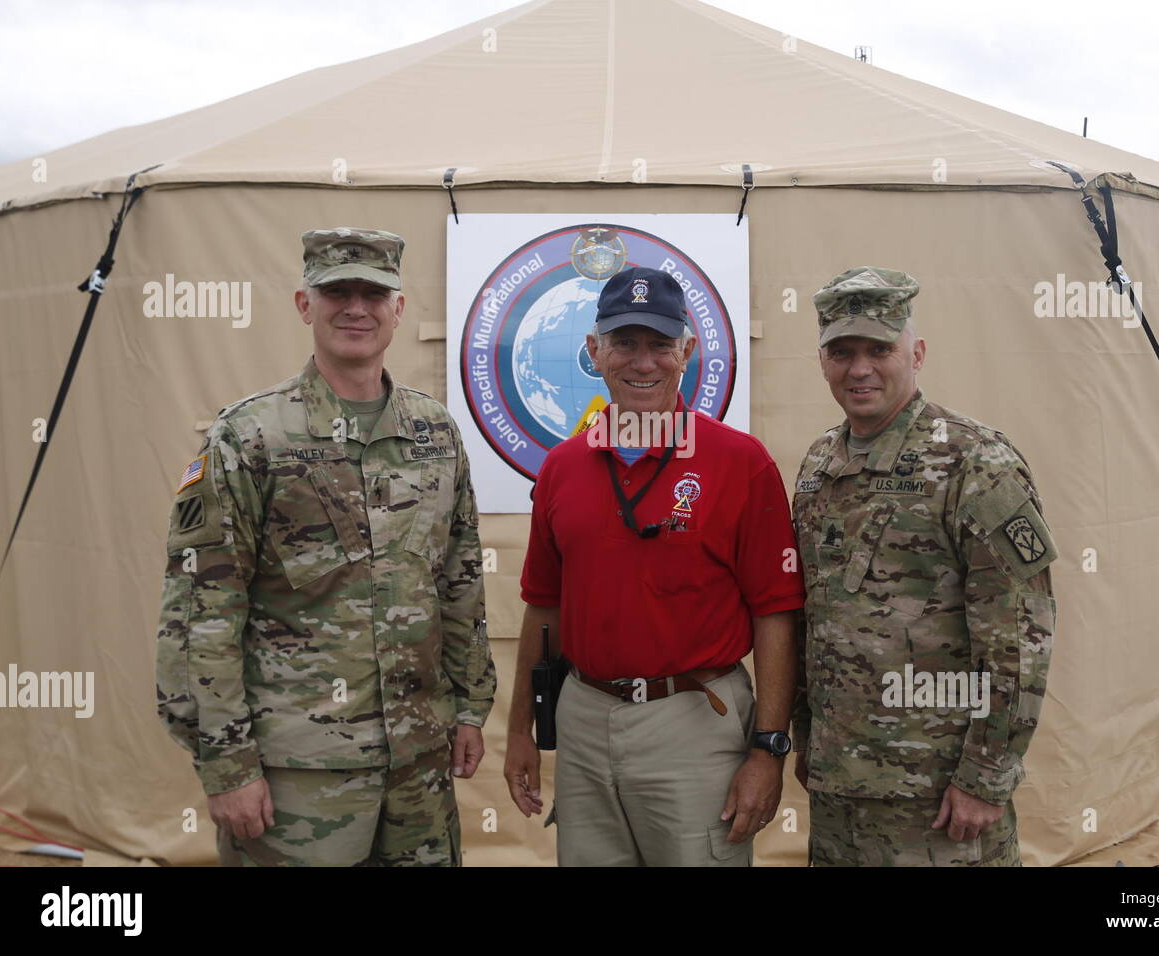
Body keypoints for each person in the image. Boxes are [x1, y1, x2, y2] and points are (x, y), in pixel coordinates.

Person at [154, 226, 494, 866]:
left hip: (418, 764)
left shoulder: (434, 434)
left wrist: (471, 706)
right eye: (337, 291)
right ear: (304, 304)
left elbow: (460, 581)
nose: (356, 308)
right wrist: (226, 762)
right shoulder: (249, 437)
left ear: (399, 309)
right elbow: (202, 609)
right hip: (298, 775)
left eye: (374, 292)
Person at [503, 266, 804, 866]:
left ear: (687, 351)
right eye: (625, 343)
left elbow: (776, 613)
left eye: (660, 345)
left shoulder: (740, 462)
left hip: (695, 720)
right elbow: (544, 607)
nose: (643, 363)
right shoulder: (562, 467)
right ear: (595, 351)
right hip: (585, 720)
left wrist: (768, 750)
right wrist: (518, 732)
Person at [791, 266, 1057, 867]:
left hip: (936, 794)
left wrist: (986, 775)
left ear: (917, 352)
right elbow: (815, 614)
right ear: (823, 361)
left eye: (879, 349)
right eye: (842, 352)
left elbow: (1020, 635)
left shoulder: (976, 462)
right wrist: (808, 740)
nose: (860, 369)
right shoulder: (818, 464)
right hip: (840, 784)